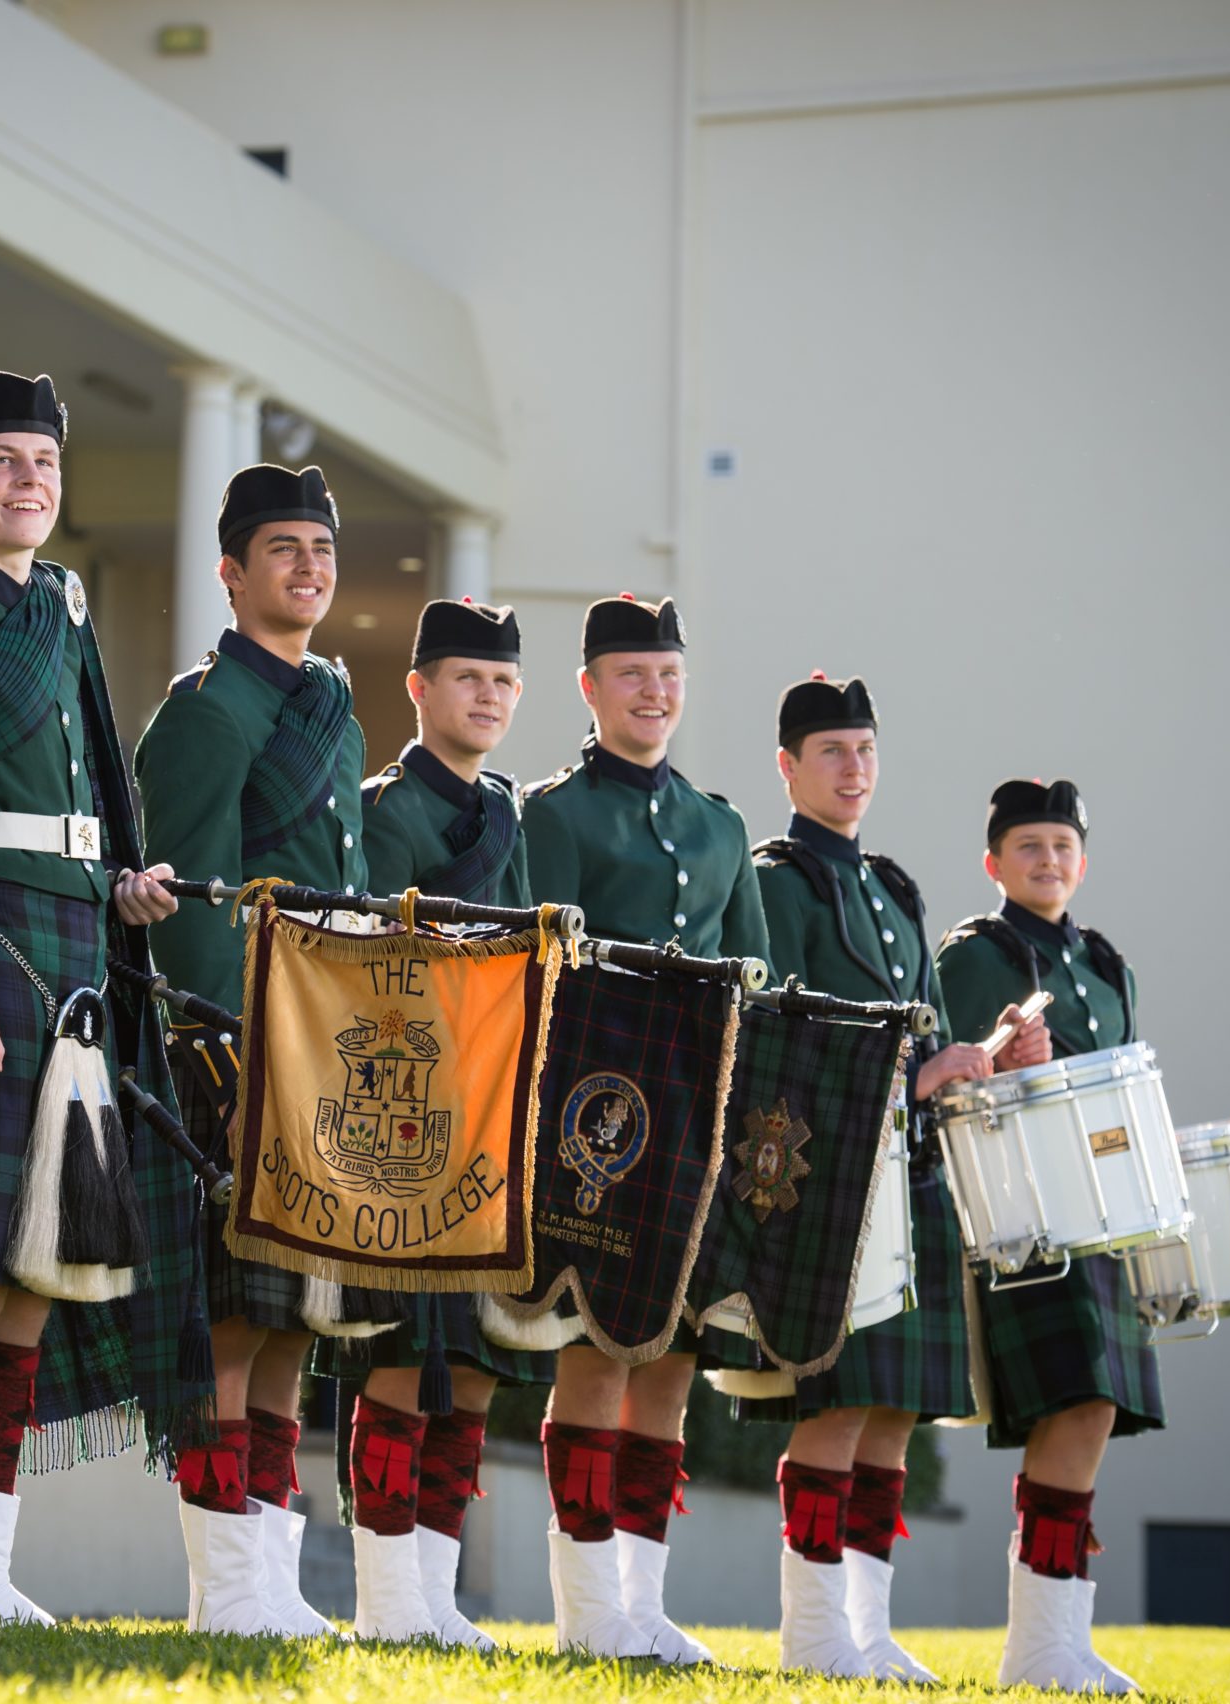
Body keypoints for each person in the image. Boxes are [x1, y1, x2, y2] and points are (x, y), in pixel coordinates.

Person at [0, 369, 187, 1621]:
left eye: (44, 463)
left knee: (32, 1278)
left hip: (73, 951)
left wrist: (118, 885)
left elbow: (86, 795)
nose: (28, 481)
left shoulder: (63, 613)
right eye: (3, 461)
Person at [729, 675, 1047, 1678]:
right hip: (827, 1172)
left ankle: (864, 1630)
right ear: (788, 767)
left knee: (893, 1409)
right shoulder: (775, 882)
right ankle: (815, 1633)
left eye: (864, 750)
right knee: (834, 1407)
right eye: (832, 751)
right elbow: (772, 1034)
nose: (853, 768)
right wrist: (917, 1074)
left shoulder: (895, 890)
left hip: (908, 1170)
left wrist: (985, 1054)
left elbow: (927, 1034)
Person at [135, 464, 366, 1637]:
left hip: (322, 1049)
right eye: (283, 549)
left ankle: (267, 1584)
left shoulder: (333, 707)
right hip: (233, 1052)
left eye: (319, 549)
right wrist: (230, 1045)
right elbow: (190, 909)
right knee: (230, 1327)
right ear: (230, 573)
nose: (307, 568)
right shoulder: (205, 712)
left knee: (288, 1330)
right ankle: (224, 1589)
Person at [517, 593, 767, 1662]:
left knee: (671, 1362)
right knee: (598, 1349)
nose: (653, 693)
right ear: (590, 688)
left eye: (667, 676)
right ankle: (587, 1610)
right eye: (631, 675)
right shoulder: (555, 814)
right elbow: (544, 978)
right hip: (601, 1126)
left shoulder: (720, 826)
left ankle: (641, 1603)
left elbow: (756, 977)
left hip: (698, 1124)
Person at [338, 598, 556, 1648]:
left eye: (505, 683)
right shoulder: (383, 812)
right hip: (405, 1108)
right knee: (398, 1355)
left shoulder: (508, 814)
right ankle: (385, 1599)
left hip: (491, 1110)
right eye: (470, 679)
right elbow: (377, 964)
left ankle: (434, 1596)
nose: (490, 698)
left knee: (470, 1367)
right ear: (419, 689)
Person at [937, 778, 1156, 1693]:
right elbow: (948, 1081)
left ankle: (1054, 1639)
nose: (1048, 861)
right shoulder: (973, 957)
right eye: (1029, 846)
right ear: (994, 864)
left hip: (1104, 1215)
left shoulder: (1106, 966)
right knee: (1074, 1402)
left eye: (1062, 847)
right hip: (1024, 1214)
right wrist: (1000, 1065)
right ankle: (1038, 1647)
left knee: (1093, 1410)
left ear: (1083, 863)